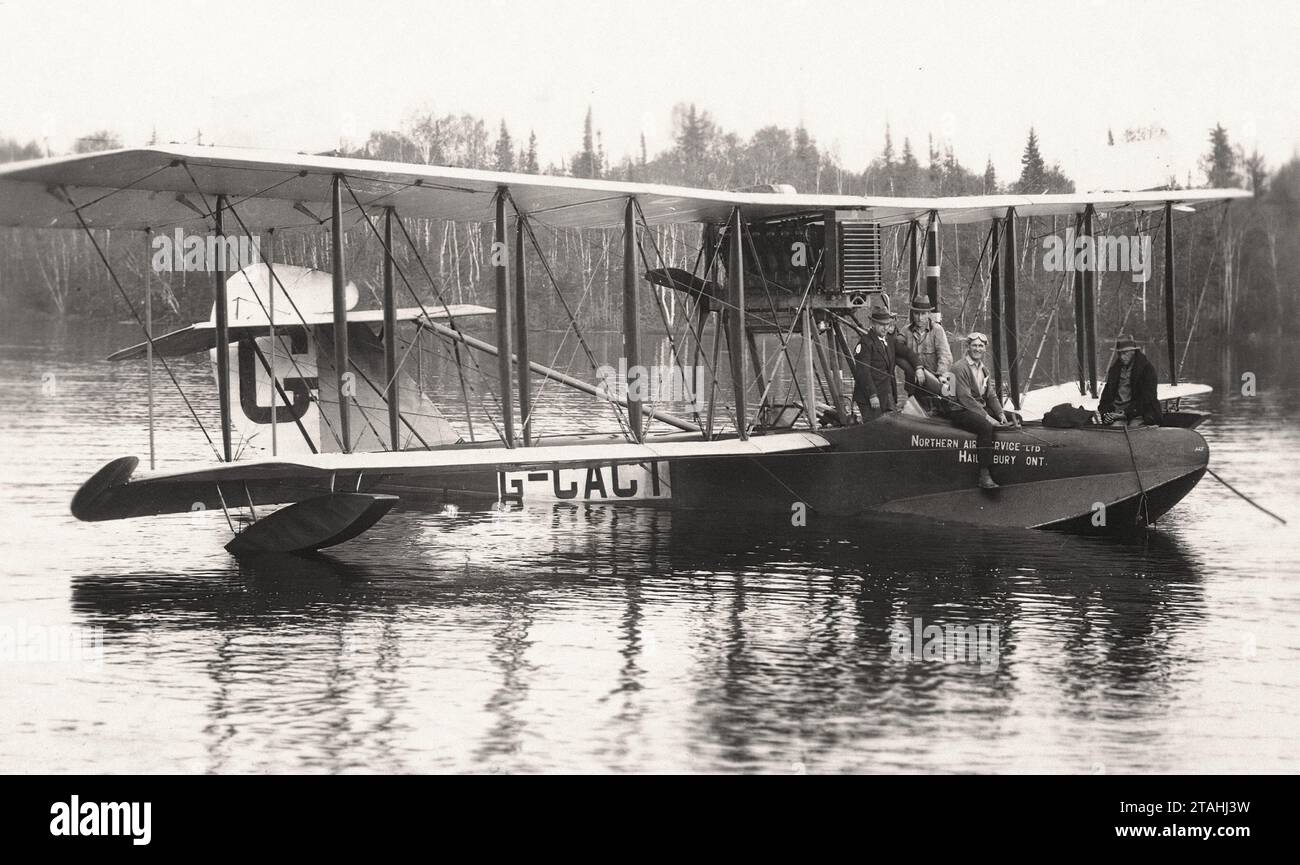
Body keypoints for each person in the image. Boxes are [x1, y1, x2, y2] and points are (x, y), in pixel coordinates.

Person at [942, 331, 1014, 489]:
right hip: (959, 409)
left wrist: (1000, 414)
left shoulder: (984, 370)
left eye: (980, 346)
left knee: (1013, 417)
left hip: (976, 407)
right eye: (974, 345)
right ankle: (984, 474)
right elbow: (965, 398)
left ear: (984, 348)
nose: (977, 349)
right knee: (985, 427)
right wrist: (988, 418)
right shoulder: (959, 368)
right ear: (968, 347)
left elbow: (991, 396)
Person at [852, 309, 924, 419]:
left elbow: (908, 352)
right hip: (869, 397)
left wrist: (918, 367)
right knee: (876, 429)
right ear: (873, 324)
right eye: (882, 325)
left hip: (887, 395)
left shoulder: (891, 341)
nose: (885, 328)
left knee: (892, 426)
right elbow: (863, 373)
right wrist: (872, 395)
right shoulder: (865, 343)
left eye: (887, 324)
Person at [1098, 335, 1162, 427]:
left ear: (1133, 352)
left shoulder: (1147, 369)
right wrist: (1106, 414)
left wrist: (1126, 413)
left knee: (1134, 430)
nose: (1121, 357)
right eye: (1119, 354)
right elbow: (1105, 399)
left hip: (1140, 413)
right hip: (1116, 413)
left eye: (1125, 353)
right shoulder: (1114, 371)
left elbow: (1148, 398)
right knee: (1115, 430)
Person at [902, 297, 952, 411]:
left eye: (923, 314)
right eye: (916, 314)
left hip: (934, 384)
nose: (920, 318)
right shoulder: (905, 331)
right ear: (912, 313)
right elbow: (896, 347)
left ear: (929, 313)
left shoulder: (937, 330)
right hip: (913, 385)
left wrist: (940, 376)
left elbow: (945, 356)